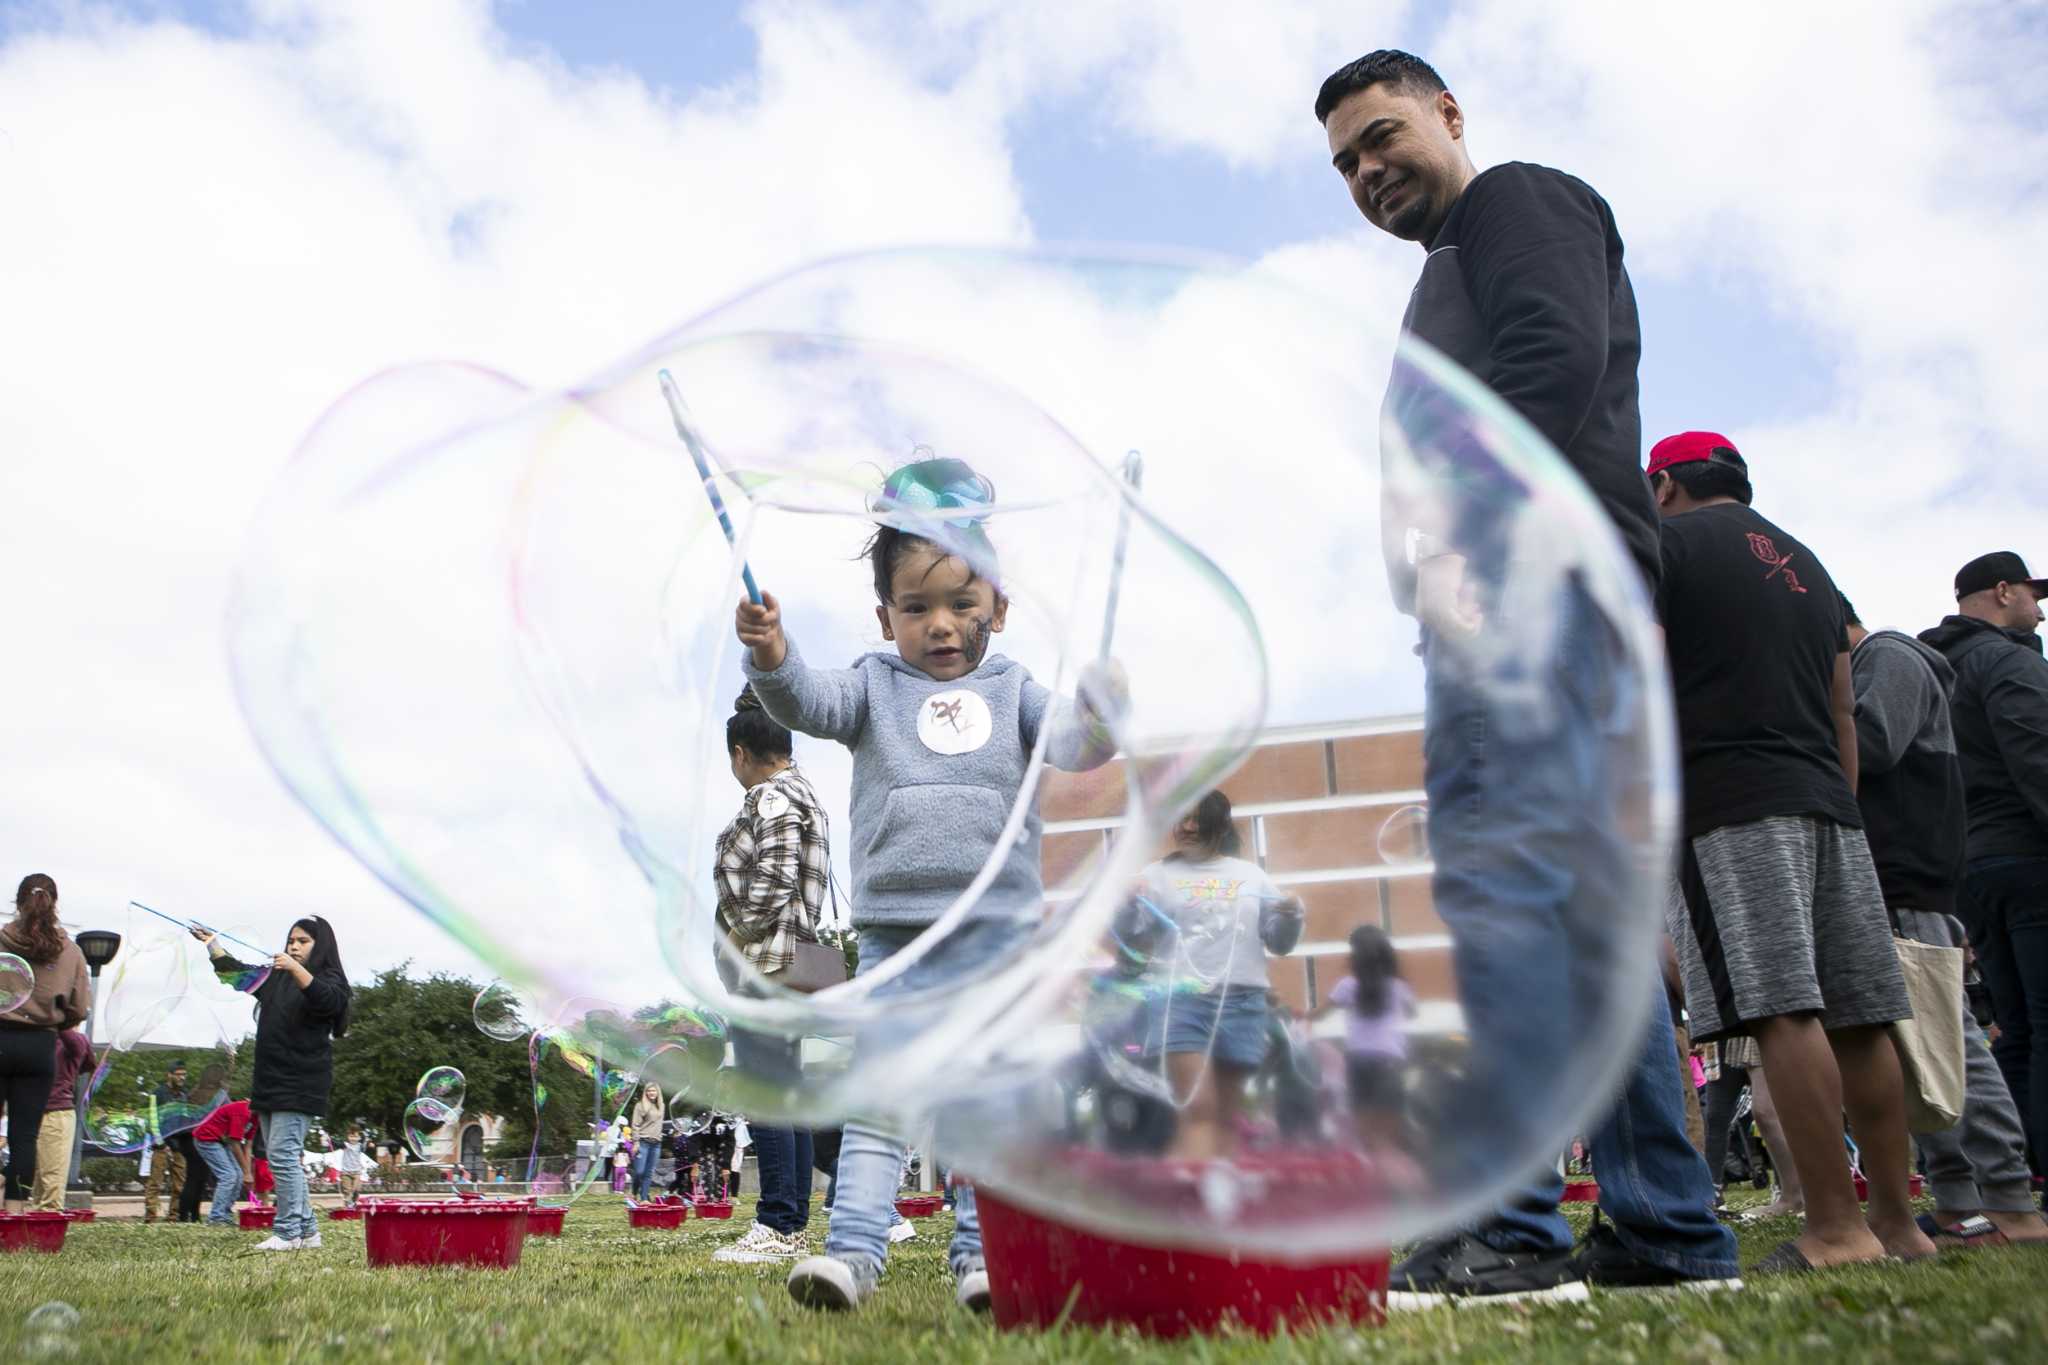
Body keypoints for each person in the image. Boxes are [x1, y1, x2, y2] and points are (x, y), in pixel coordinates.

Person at [1319, 50, 1738, 1301]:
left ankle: (1512, 1229)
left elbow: (1549, 362)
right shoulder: (1450, 269)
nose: (1366, 171)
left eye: (1382, 136)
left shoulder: (1515, 202)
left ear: (1447, 114)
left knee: (1509, 902)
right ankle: (1666, 1233)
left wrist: (1454, 546)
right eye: (1344, 162)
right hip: (1531, 600)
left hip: (1530, 593)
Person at [740, 454, 1120, 1313]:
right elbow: (806, 701)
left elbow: (1078, 743)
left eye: (961, 604)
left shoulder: (1016, 686)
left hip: (997, 934)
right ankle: (852, 1255)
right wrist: (773, 654)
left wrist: (1103, 707)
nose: (940, 625)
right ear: (885, 616)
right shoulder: (873, 687)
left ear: (999, 609)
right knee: (881, 1101)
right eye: (916, 608)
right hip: (894, 934)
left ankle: (984, 1259)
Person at [1651, 433, 1932, 1271]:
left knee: (1783, 1008)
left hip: (1729, 802)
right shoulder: (1809, 565)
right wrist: (1837, 798)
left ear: (1662, 484)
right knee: (1860, 1013)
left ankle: (1836, 1232)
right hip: (1830, 805)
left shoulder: (1662, 548)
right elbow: (1844, 707)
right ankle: (1898, 1223)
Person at [1843, 599, 2047, 1246]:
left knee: (1950, 1040)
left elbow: (1871, 744)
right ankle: (1960, 1199)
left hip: (1908, 876)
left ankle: (2011, 1200)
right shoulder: (1879, 665)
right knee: (1915, 1051)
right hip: (1892, 878)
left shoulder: (1891, 656)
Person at [1919, 551, 2048, 1176]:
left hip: (1969, 869)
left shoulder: (1934, 668)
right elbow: (2038, 757)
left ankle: (2016, 1179)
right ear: (2003, 592)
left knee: (2017, 1028)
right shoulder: (2010, 661)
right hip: (2029, 858)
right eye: (2032, 594)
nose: (2040, 608)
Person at [709, 688, 831, 1264]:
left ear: (740, 753)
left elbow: (771, 887)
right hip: (794, 963)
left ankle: (779, 1225)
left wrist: (734, 940)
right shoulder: (807, 796)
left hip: (767, 965)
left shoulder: (773, 800)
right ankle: (790, 1224)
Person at [1132, 790, 1304, 1159]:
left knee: (1226, 1118)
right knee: (1198, 1110)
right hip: (1181, 1001)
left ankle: (1221, 1202)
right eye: (1182, 816)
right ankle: (1184, 1207)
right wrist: (1128, 907)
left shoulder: (1251, 876)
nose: (1187, 826)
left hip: (1243, 1003)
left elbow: (1279, 943)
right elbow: (1135, 944)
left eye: (1198, 818)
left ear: (1221, 824)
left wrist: (1292, 916)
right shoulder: (1155, 877)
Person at [193, 916, 352, 1252]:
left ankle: (288, 1232)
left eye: (303, 941)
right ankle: (308, 1233)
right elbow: (236, 974)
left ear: (320, 945)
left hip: (301, 1081)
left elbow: (328, 1001)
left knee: (281, 1156)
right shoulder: (276, 978)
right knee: (282, 1156)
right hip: (270, 1081)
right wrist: (213, 945)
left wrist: (295, 969)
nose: (293, 946)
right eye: (291, 940)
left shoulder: (329, 979)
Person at [0, 875, 90, 1215]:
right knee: (25, 1135)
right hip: (41, 1046)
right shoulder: (71, 951)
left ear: (17, 901)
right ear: (55, 902)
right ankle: (15, 1214)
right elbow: (79, 1008)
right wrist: (51, 1021)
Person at [1315, 925, 1415, 1158]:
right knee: (1390, 1134)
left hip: (1359, 1060)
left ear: (1354, 956)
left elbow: (1319, 1014)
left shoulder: (1347, 985)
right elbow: (1412, 1012)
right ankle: (1395, 1179)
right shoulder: (1399, 987)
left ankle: (1370, 1174)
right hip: (1391, 1059)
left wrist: (1302, 1015)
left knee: (1364, 1133)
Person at [30, 1026, 93, 1213]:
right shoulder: (43, 1040)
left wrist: (58, 1009)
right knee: (39, 1177)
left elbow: (82, 1054)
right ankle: (36, 1221)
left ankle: (49, 1222)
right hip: (36, 1112)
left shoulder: (75, 1040)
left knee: (52, 1176)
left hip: (56, 1113)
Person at [190, 1097, 256, 1226]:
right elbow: (235, 1143)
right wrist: (247, 1172)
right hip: (206, 1138)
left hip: (221, 1141)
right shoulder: (243, 1111)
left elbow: (248, 1145)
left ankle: (225, 1214)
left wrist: (247, 1173)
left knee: (238, 1175)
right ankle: (216, 1217)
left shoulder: (257, 1117)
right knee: (228, 1176)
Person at [629, 1084, 665, 1203]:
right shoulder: (640, 1106)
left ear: (657, 1092)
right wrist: (636, 1142)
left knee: (649, 1172)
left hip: (656, 1143)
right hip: (643, 1142)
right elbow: (635, 1125)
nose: (651, 1093)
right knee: (639, 1171)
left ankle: (644, 1197)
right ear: (645, 1093)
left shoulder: (661, 1106)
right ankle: (634, 1192)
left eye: (653, 1090)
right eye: (648, 1091)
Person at [336, 1126, 368, 1208]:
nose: (353, 1138)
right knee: (347, 1190)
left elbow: (365, 1146)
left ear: (359, 1138)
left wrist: (370, 1143)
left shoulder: (360, 1146)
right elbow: (337, 1144)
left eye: (355, 1137)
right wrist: (329, 1140)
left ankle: (354, 1202)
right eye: (351, 1136)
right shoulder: (345, 1145)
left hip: (357, 1172)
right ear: (348, 1137)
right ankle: (348, 1206)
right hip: (346, 1172)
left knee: (356, 1189)